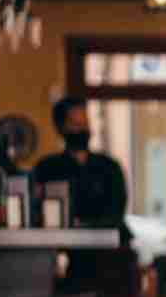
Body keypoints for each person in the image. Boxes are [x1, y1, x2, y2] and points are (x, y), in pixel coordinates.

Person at [31, 97, 129, 237]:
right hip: (64, 243)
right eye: (76, 124)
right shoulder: (47, 168)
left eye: (85, 123)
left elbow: (116, 211)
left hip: (108, 247)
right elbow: (40, 211)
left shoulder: (109, 167)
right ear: (61, 128)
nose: (83, 129)